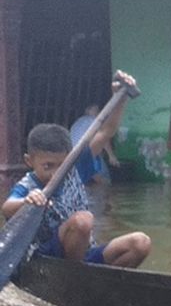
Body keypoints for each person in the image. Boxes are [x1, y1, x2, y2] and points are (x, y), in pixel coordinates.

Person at [2, 71, 151, 267]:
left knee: (141, 243)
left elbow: (107, 131)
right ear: (29, 161)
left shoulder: (74, 168)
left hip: (83, 253)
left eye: (61, 165)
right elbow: (7, 207)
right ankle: (75, 278)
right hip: (49, 259)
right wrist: (28, 201)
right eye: (48, 166)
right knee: (83, 221)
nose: (56, 173)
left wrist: (120, 97)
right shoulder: (29, 185)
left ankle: (99, 281)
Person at [69, 103, 120, 185]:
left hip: (73, 158)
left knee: (85, 183)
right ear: (87, 111)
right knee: (105, 180)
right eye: (95, 110)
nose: (99, 112)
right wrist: (111, 156)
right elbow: (103, 138)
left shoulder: (77, 122)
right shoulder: (94, 120)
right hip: (87, 155)